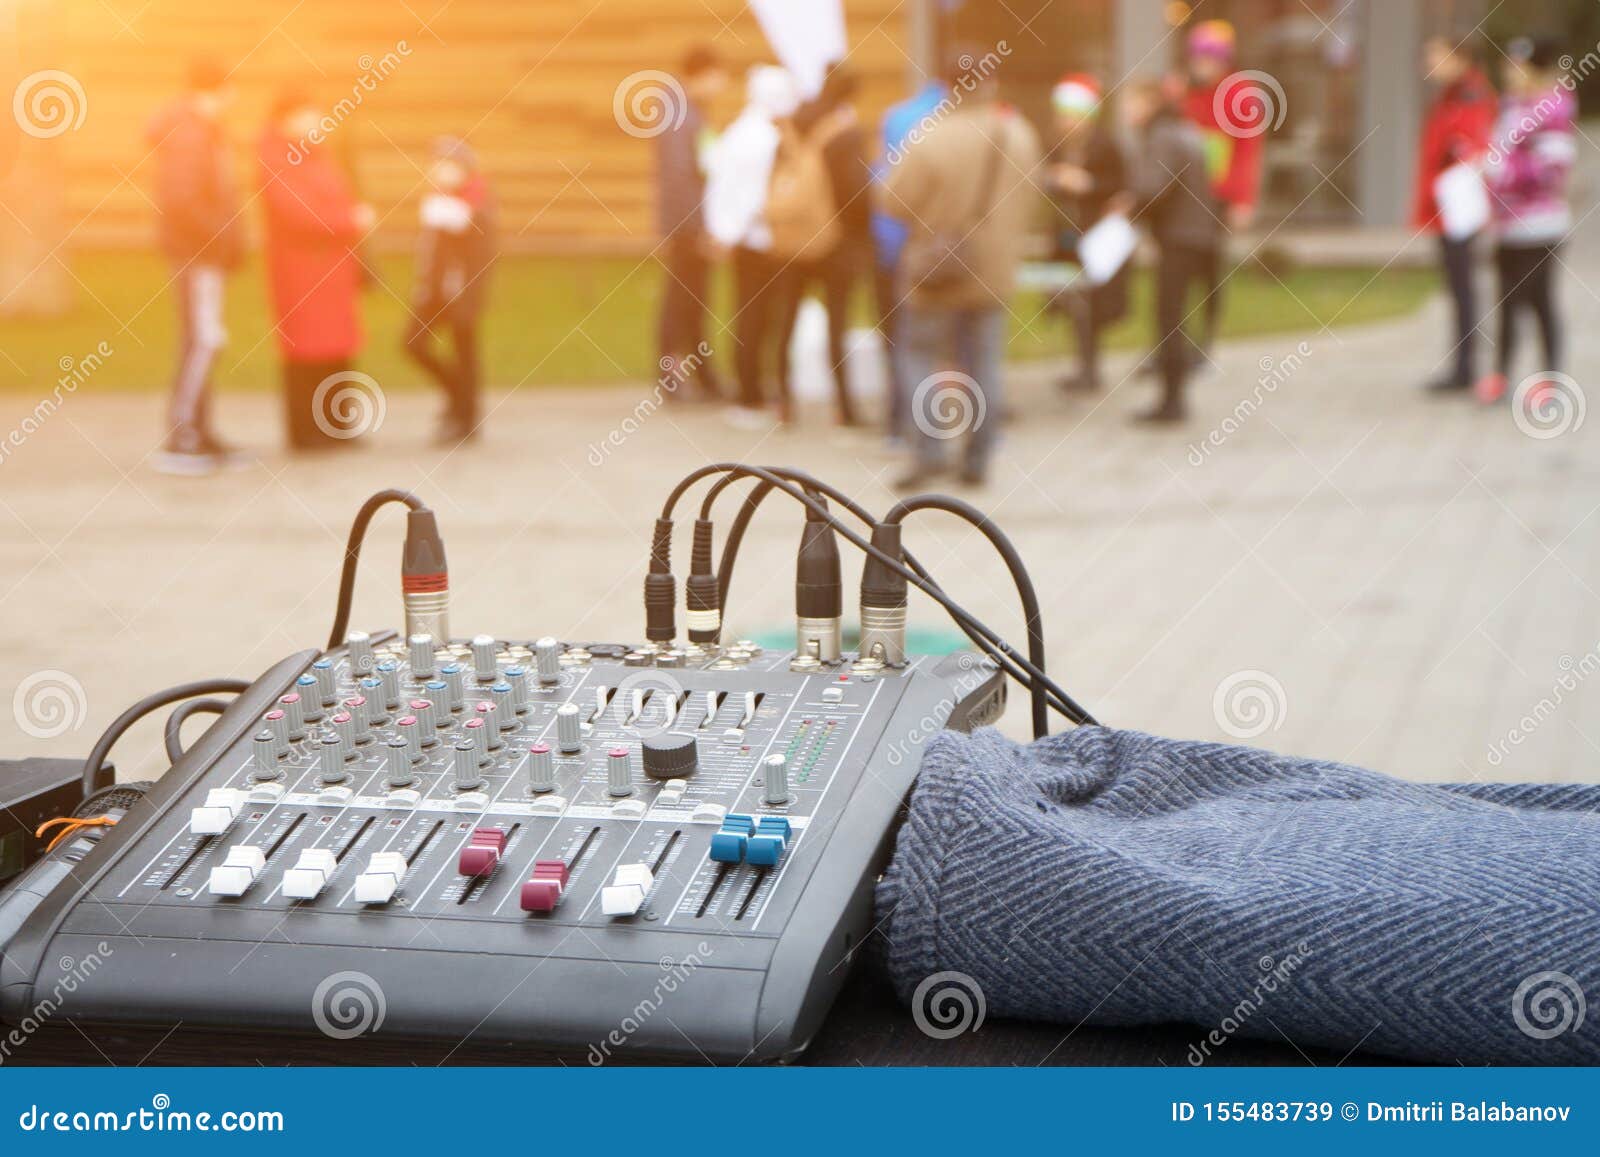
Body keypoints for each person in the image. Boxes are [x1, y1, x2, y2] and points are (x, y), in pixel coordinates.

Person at [882, 46, 1041, 489]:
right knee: (985, 362)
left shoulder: (931, 135)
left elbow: (892, 200)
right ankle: (977, 460)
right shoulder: (1019, 133)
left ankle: (929, 452)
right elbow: (1035, 194)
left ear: (946, 85)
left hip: (936, 266)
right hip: (994, 268)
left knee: (918, 356)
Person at [258, 90, 374, 451]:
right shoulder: (275, 158)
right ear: (287, 118)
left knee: (337, 349)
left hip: (333, 271)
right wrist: (349, 221)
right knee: (306, 351)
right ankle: (306, 432)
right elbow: (297, 214)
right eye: (309, 113)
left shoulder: (318, 154)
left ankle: (338, 426)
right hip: (301, 272)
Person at [147, 59, 245, 475]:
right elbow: (183, 199)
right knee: (203, 341)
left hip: (202, 253)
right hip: (197, 254)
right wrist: (220, 238)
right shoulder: (190, 134)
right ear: (218, 89)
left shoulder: (202, 132)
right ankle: (183, 435)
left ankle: (201, 431)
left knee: (203, 340)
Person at [1475, 37, 1575, 405]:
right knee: (1506, 301)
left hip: (1541, 225)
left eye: (1516, 64)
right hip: (1507, 225)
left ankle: (1550, 378)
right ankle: (1501, 373)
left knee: (1541, 302)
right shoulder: (1511, 106)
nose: (1508, 72)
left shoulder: (1555, 109)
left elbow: (1553, 167)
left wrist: (1503, 173)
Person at [703, 65, 801, 428]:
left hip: (745, 240)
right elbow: (752, 196)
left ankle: (754, 389)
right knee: (758, 319)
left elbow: (719, 188)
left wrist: (722, 232)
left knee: (750, 317)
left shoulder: (738, 132)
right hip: (759, 241)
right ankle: (751, 394)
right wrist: (732, 232)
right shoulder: (764, 138)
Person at [1118, 80, 1220, 424]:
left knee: (1169, 319)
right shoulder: (1180, 130)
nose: (1125, 111)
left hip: (1181, 238)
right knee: (1175, 318)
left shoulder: (1161, 135)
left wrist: (1125, 209)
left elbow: (1154, 188)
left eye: (1131, 103)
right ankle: (1173, 398)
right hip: (1197, 236)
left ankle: (1172, 403)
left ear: (1148, 104)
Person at [775, 63, 871, 427]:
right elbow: (856, 191)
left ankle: (783, 402)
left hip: (793, 238)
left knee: (785, 320)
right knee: (836, 322)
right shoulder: (845, 132)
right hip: (835, 241)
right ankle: (843, 407)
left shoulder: (793, 122)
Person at [1411, 36, 1495, 394]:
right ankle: (1462, 365)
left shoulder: (1471, 96)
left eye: (1436, 55)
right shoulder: (1448, 96)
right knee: (1456, 288)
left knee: (1463, 289)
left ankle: (1466, 368)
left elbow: (1473, 147)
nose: (1429, 62)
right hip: (1445, 208)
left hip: (1460, 210)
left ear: (1459, 58)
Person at [1179, 19, 1264, 361]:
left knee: (1211, 271)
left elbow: (1248, 150)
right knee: (1180, 272)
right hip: (1186, 198)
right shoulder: (1187, 93)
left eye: (1208, 58)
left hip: (1218, 199)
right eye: (1197, 58)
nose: (1201, 65)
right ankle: (1175, 343)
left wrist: (1243, 200)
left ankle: (1205, 343)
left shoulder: (1239, 92)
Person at [403, 136, 497, 445]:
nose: (440, 171)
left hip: (462, 294)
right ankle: (457, 393)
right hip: (436, 293)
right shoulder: (438, 200)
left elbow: (480, 252)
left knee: (465, 354)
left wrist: (468, 296)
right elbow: (430, 251)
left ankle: (465, 418)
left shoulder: (478, 201)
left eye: (447, 165)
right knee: (413, 344)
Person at [873, 75, 949, 444]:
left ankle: (899, 425)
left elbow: (887, 191)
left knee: (904, 342)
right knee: (952, 342)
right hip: (948, 250)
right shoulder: (957, 123)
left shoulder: (897, 117)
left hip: (898, 248)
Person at [1043, 73, 1128, 395]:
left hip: (1094, 235)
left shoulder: (1105, 146)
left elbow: (1120, 185)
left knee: (1092, 303)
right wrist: (1057, 179)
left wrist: (1087, 183)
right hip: (1066, 233)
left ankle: (1090, 368)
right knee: (1070, 301)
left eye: (1070, 115)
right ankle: (1081, 364)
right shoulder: (1057, 146)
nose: (1064, 122)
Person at [655, 44, 728, 404]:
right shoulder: (680, 113)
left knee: (693, 300)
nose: (721, 85)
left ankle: (702, 375)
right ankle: (673, 375)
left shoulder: (689, 110)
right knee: (681, 302)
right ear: (701, 74)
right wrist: (698, 228)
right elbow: (680, 175)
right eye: (718, 77)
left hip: (690, 223)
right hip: (687, 225)